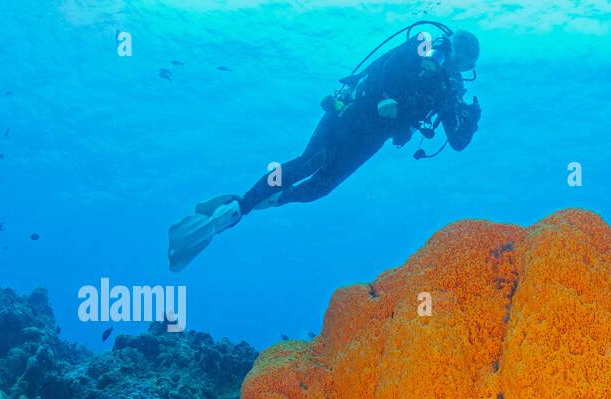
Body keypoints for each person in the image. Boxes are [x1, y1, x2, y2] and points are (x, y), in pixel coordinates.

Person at [168, 25, 481, 271]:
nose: (452, 67)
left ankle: (276, 200)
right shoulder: (421, 47)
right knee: (308, 162)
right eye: (453, 58)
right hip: (350, 113)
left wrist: (471, 118)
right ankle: (241, 206)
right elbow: (385, 68)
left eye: (460, 65)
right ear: (449, 46)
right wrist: (386, 97)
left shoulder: (448, 90)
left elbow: (457, 142)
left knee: (321, 187)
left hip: (371, 138)